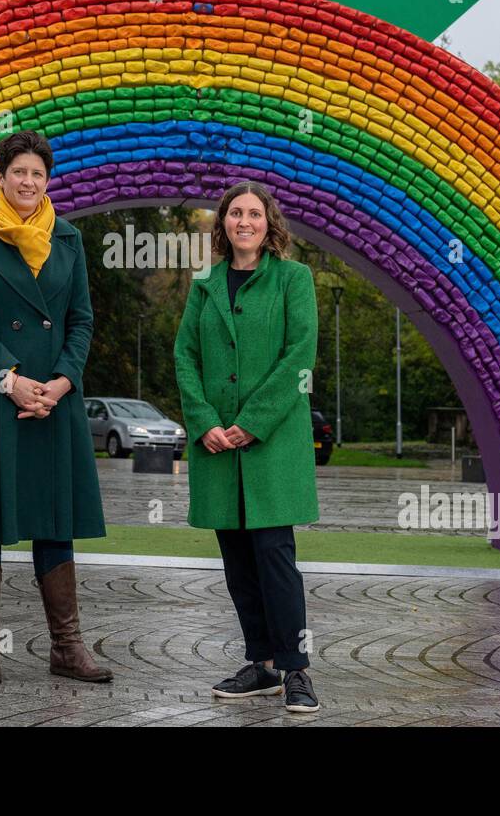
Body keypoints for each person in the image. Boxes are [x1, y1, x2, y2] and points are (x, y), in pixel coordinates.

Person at [0, 129, 111, 685]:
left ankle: (67, 646)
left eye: (38, 174)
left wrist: (61, 383)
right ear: (0, 178)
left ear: (47, 181)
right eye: (19, 173)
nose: (28, 182)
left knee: (54, 519)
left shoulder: (70, 239)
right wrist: (10, 379)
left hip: (53, 402)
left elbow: (80, 320)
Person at [173, 181, 321, 713]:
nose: (244, 221)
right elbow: (185, 356)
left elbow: (299, 357)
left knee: (275, 559)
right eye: (235, 213)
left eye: (254, 214)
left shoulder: (293, 278)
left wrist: (252, 423)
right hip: (217, 450)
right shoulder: (206, 284)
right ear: (224, 224)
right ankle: (261, 667)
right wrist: (205, 421)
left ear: (268, 223)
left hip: (270, 447)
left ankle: (296, 669)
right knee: (238, 563)